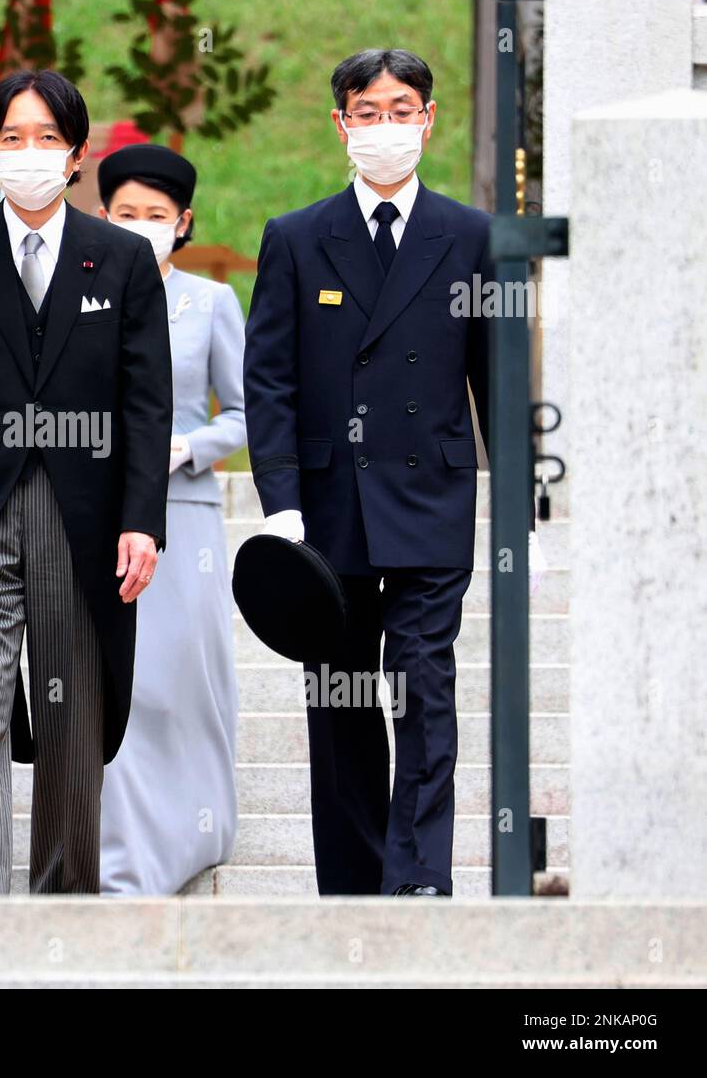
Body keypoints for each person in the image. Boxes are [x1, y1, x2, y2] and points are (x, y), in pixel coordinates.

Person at [0, 69, 173, 895]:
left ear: (78, 154)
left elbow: (146, 403)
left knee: (68, 717)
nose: (29, 152)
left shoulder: (122, 259)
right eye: (12, 137)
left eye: (47, 137)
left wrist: (141, 520)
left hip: (81, 520)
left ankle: (61, 908)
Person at [243, 49, 492, 897]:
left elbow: (494, 373)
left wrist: (522, 493)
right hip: (329, 512)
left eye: (400, 110)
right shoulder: (298, 237)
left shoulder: (470, 235)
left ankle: (418, 876)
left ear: (428, 119)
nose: (384, 127)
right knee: (343, 703)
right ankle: (352, 885)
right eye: (366, 112)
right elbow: (268, 377)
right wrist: (281, 503)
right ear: (340, 124)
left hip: (431, 503)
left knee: (426, 690)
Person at [94, 144, 246, 894]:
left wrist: (189, 445)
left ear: (183, 222)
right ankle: (124, 859)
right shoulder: (80, 294)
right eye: (127, 214)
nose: (142, 225)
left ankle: (201, 826)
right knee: (122, 683)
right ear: (101, 216)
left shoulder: (211, 303)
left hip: (183, 516)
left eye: (157, 215)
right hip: (97, 512)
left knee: (181, 677)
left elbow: (248, 413)